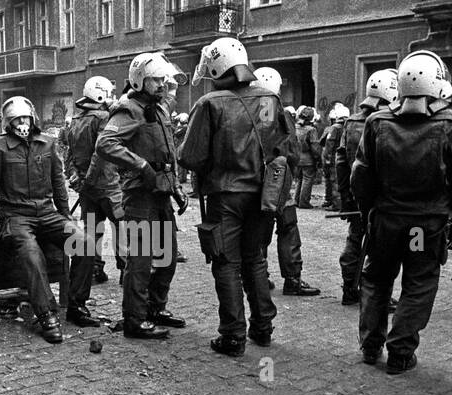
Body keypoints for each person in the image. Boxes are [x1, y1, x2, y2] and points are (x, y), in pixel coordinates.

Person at [352, 51, 452, 375]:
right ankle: (400, 351)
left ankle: (370, 345)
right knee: (418, 283)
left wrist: (369, 214)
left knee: (376, 279)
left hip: (385, 222)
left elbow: (361, 176)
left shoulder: (377, 122)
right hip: (422, 228)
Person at [180, 39, 294, 355]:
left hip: (225, 195)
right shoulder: (269, 98)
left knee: (226, 263)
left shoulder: (210, 103)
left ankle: (232, 335)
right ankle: (263, 328)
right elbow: (278, 146)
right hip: (262, 195)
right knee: (255, 259)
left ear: (217, 68)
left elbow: (190, 156)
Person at [0, 97, 85, 344]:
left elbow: (58, 184)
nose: (23, 123)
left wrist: (66, 216)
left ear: (33, 119)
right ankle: (47, 315)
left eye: (26, 118)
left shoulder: (48, 144)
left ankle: (76, 304)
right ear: (8, 123)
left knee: (83, 243)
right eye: (17, 119)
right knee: (31, 254)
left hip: (47, 213)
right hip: (16, 216)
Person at [95, 53, 188, 340]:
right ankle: (135, 320)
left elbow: (168, 152)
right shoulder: (129, 109)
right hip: (139, 196)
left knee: (168, 257)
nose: (162, 85)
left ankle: (155, 309)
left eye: (163, 79)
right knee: (141, 260)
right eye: (156, 80)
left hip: (161, 193)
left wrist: (176, 186)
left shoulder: (158, 109)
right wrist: (140, 165)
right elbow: (105, 144)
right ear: (139, 80)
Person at [253, 67, 319, 297]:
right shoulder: (267, 104)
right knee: (287, 227)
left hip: (268, 178)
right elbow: (269, 141)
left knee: (263, 229)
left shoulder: (256, 104)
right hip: (275, 179)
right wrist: (287, 163)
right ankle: (289, 279)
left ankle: (261, 275)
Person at [337, 71, 398, 305]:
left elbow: (341, 162)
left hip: (357, 194)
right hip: (382, 198)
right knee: (381, 246)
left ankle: (349, 287)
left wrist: (345, 197)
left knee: (355, 240)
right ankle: (375, 294)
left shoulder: (351, 121)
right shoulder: (388, 121)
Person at [65, 75, 122, 318]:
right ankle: (127, 270)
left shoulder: (76, 119)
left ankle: (84, 288)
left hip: (88, 190)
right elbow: (102, 153)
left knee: (90, 237)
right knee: (127, 227)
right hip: (107, 186)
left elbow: (68, 154)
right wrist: (88, 178)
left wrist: (76, 178)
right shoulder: (103, 118)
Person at [321, 104, 350, 210]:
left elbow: (329, 146)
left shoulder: (334, 128)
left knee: (334, 182)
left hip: (334, 158)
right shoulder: (349, 125)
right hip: (346, 157)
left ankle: (337, 204)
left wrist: (327, 161)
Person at [294, 106, 323, 209]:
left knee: (299, 180)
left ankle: (296, 201)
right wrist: (319, 159)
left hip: (296, 158)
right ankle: (304, 202)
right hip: (308, 160)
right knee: (307, 180)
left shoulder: (294, 127)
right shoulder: (311, 130)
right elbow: (315, 148)